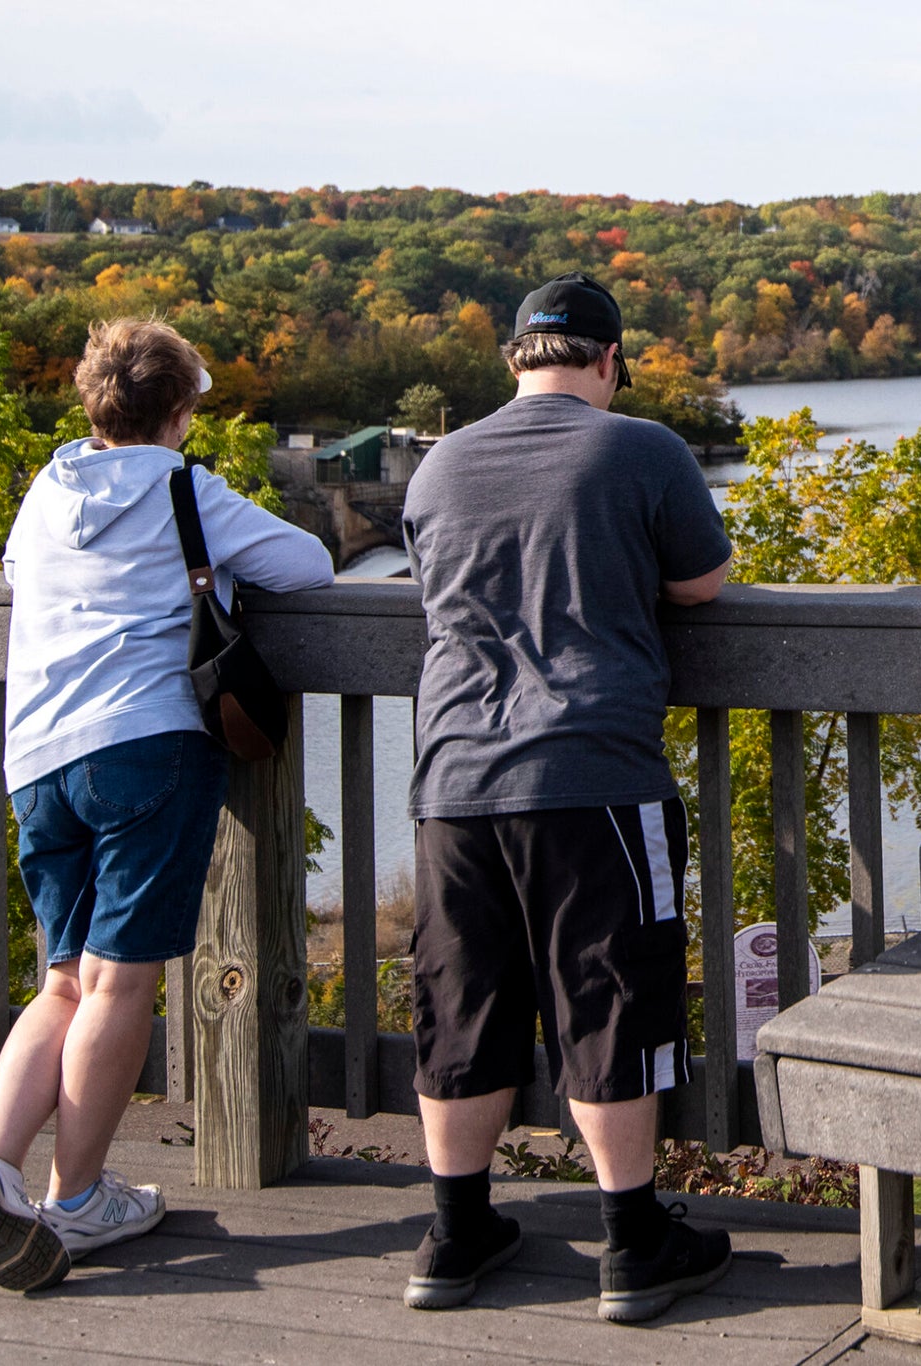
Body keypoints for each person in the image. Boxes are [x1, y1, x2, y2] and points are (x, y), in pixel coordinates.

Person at [0, 318, 334, 1291]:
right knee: (118, 987)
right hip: (146, 747)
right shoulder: (185, 488)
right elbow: (310, 566)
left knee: (63, 980)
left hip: (37, 758)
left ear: (93, 403)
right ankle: (77, 1201)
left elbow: (22, 579)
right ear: (182, 410)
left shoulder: (43, 491)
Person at [400, 272, 734, 1323]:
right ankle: (632, 1240)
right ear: (608, 362)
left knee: (460, 1002)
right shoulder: (639, 448)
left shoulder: (440, 464)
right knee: (608, 999)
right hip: (588, 771)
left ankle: (454, 1233)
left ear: (513, 360)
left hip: (453, 777)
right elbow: (703, 582)